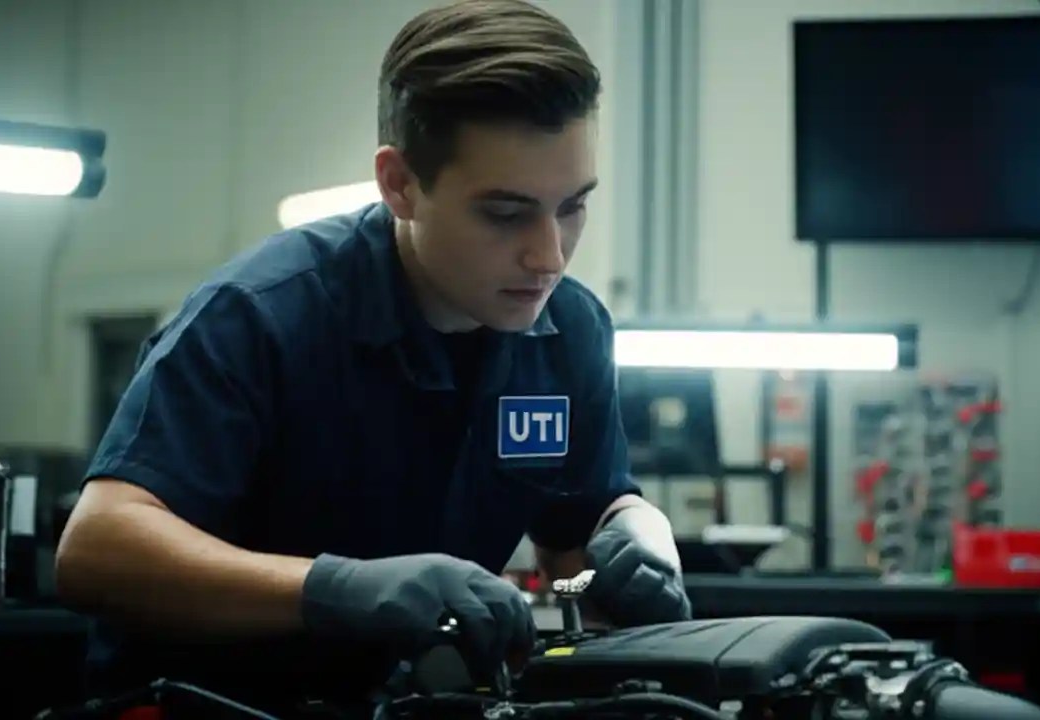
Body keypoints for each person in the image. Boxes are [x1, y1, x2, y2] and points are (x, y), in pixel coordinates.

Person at [53, 0, 690, 713]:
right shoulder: (261, 316)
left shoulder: (568, 332)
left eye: (572, 206)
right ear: (399, 184)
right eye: (505, 214)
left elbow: (572, 556)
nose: (549, 256)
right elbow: (96, 551)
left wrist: (631, 533)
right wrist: (334, 590)